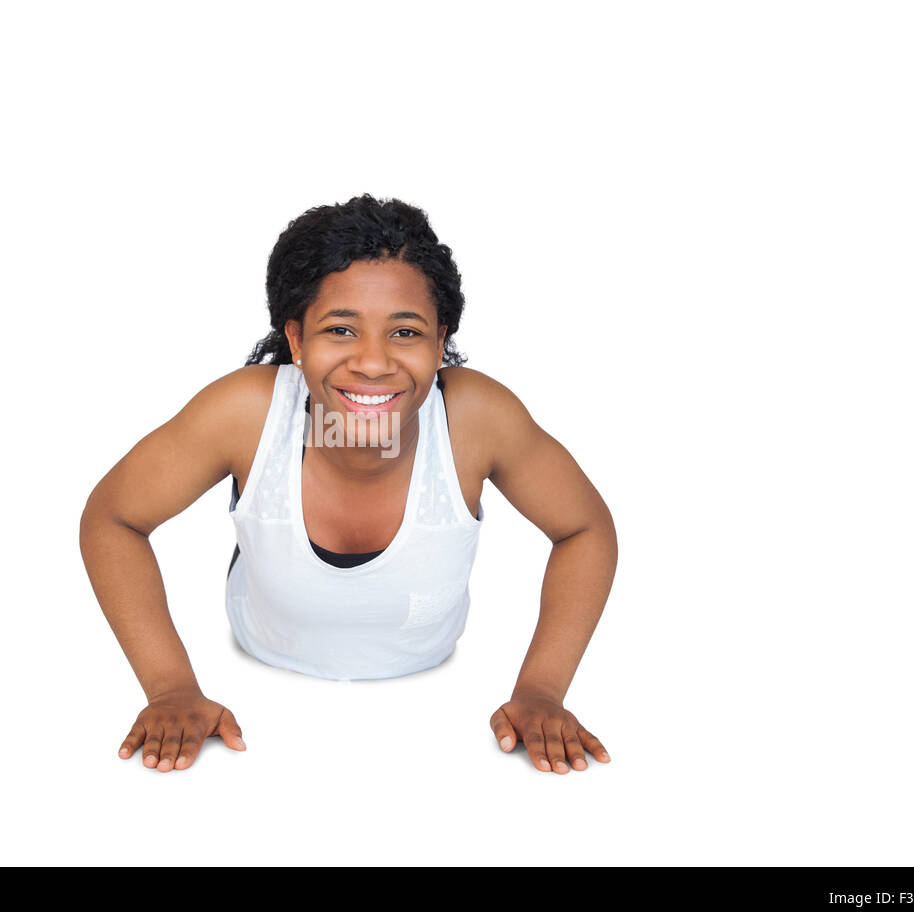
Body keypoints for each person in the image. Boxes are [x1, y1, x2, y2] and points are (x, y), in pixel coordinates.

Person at [80, 194, 618, 774]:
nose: (372, 363)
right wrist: (168, 686)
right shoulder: (244, 412)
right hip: (258, 651)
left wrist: (542, 689)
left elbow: (584, 529)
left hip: (431, 670)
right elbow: (113, 517)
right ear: (296, 340)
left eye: (405, 333)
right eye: (340, 329)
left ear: (441, 343)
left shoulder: (478, 417)